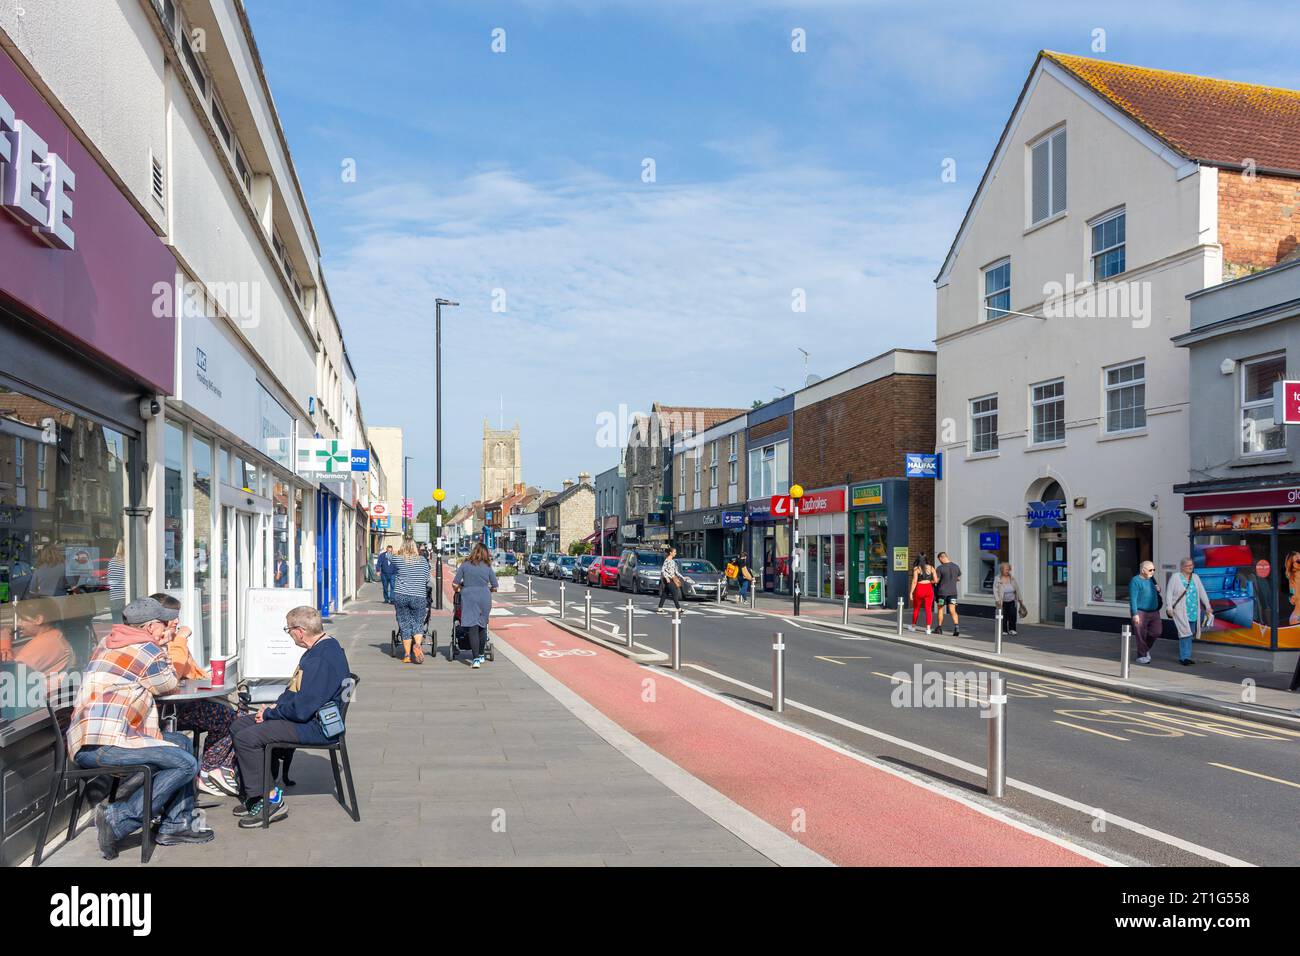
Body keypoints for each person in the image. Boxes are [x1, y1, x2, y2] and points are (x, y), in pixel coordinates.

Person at [67, 597, 215, 860]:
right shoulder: (146, 649)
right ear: (149, 627)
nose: (166, 628)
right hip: (105, 745)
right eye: (163, 624)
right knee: (185, 764)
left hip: (90, 740)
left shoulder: (108, 641)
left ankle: (175, 824)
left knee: (180, 743)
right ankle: (118, 818)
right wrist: (170, 642)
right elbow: (168, 683)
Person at [229, 606, 351, 827]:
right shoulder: (321, 648)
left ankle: (270, 799)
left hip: (317, 726)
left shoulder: (321, 658)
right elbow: (296, 693)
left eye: (289, 630)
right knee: (239, 726)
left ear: (300, 631)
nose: (289, 634)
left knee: (247, 738)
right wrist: (273, 708)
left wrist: (271, 714)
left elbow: (302, 710)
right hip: (306, 717)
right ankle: (258, 792)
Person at [148, 594, 241, 796]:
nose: (177, 621)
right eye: (173, 616)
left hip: (186, 701)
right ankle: (209, 769)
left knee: (237, 712)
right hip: (165, 710)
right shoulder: (161, 641)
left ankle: (219, 767)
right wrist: (180, 637)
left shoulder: (169, 638)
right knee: (227, 717)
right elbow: (177, 670)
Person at [0, 596, 77, 697]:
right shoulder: (55, 637)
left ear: (38, 619)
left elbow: (9, 677)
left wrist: (4, 644)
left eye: (22, 619)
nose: (18, 623)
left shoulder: (44, 643)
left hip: (32, 703)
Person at [452, 542, 498, 668]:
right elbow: (495, 586)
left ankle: (476, 658)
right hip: (484, 597)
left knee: (472, 627)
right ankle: (482, 654)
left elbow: (455, 584)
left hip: (469, 597)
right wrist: (488, 589)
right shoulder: (488, 567)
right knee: (482, 626)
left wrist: (461, 589)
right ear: (485, 554)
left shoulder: (465, 565)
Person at [1164, 558, 1213, 666]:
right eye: (1187, 565)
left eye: (1191, 565)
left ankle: (1186, 656)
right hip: (1181, 611)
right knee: (1184, 634)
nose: (1190, 567)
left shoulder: (1195, 577)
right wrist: (1169, 608)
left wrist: (1207, 606)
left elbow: (1202, 592)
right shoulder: (1175, 577)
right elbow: (1169, 593)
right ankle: (1184, 657)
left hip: (1193, 611)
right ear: (1182, 567)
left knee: (1190, 633)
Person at [390, 538, 431, 663]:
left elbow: (389, 555)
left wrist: (400, 551)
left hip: (401, 595)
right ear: (415, 547)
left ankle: (407, 655)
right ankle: (417, 646)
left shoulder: (398, 559)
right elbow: (427, 578)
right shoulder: (423, 560)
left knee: (404, 623)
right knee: (418, 623)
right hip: (418, 595)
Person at [1128, 561, 1163, 664]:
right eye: (1150, 570)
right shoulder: (1135, 581)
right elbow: (1133, 599)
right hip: (1140, 611)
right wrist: (1135, 614)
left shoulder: (1152, 580)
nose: (1152, 572)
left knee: (1157, 631)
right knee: (1140, 634)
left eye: (1154, 570)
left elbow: (1155, 593)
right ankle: (1142, 655)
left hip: (1154, 611)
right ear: (1143, 570)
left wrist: (1158, 589)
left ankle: (1145, 649)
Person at [933, 552, 962, 636]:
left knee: (940, 609)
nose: (940, 561)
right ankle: (956, 627)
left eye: (939, 560)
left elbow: (937, 580)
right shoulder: (956, 566)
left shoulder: (940, 568)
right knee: (953, 610)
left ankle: (939, 628)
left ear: (941, 558)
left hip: (942, 593)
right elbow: (958, 578)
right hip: (953, 593)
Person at [992, 563, 1024, 637]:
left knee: (1012, 614)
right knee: (1004, 615)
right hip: (1002, 601)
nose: (1007, 571)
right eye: (1006, 569)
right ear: (1002, 570)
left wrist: (1020, 599)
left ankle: (1012, 629)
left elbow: (1017, 589)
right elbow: (995, 590)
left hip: (1012, 600)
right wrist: (997, 600)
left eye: (1008, 569)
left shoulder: (1012, 578)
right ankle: (1004, 630)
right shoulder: (997, 578)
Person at [908, 554, 937, 634]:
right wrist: (930, 582)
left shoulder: (916, 569)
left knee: (916, 609)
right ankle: (928, 629)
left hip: (919, 588)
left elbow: (914, 581)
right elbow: (935, 580)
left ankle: (913, 627)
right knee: (928, 609)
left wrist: (911, 593)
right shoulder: (931, 568)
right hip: (929, 589)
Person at [656, 545, 683, 613]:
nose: (675, 553)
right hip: (668, 579)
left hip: (672, 578)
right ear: (670, 552)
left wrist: (683, 577)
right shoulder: (667, 561)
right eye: (674, 552)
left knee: (665, 593)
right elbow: (663, 570)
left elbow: (676, 572)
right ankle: (678, 608)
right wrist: (667, 578)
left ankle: (660, 608)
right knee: (674, 593)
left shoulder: (673, 561)